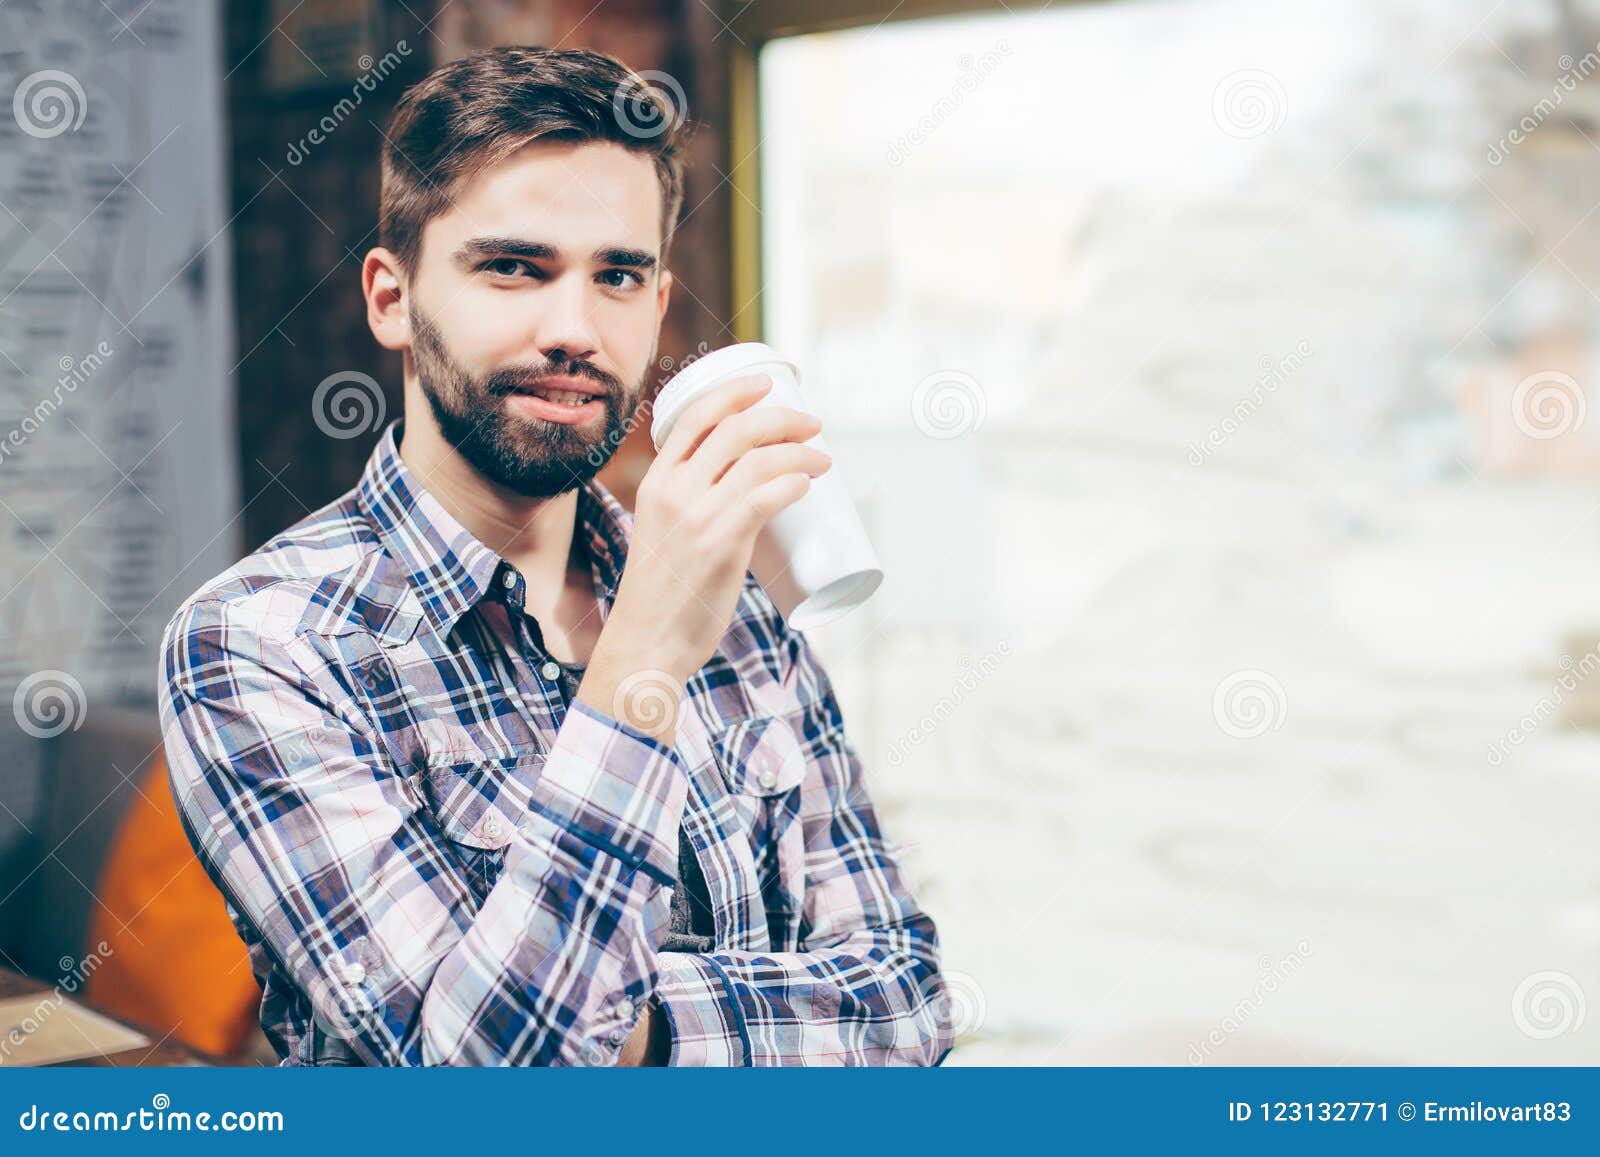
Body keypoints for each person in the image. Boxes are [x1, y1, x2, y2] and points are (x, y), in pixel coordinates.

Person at [157, 45, 948, 1066]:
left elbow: (910, 999)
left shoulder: (735, 601)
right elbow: (482, 1082)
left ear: (657, 306)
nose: (574, 329)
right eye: (513, 267)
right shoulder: (260, 645)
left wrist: (636, 1033)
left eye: (617, 275)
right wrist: (646, 655)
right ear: (391, 298)